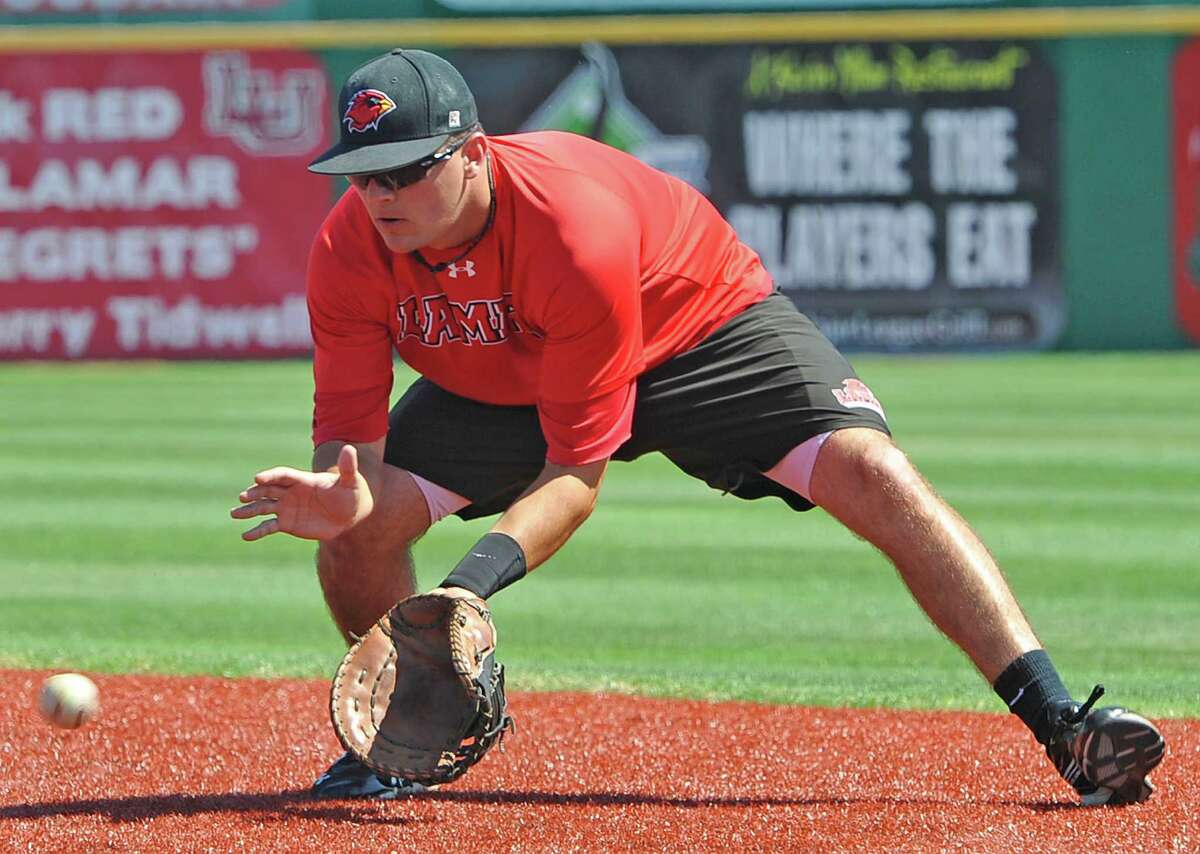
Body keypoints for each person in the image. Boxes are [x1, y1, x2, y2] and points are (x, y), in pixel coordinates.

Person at [232, 48, 1165, 804]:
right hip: (512, 371)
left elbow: (576, 477)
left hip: (696, 327)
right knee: (359, 528)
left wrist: (466, 592)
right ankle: (397, 740)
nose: (380, 195)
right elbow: (350, 458)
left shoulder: (569, 229)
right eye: (360, 176)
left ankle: (1066, 730)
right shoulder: (351, 249)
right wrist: (341, 493)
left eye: (405, 169)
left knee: (873, 473)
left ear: (473, 152)